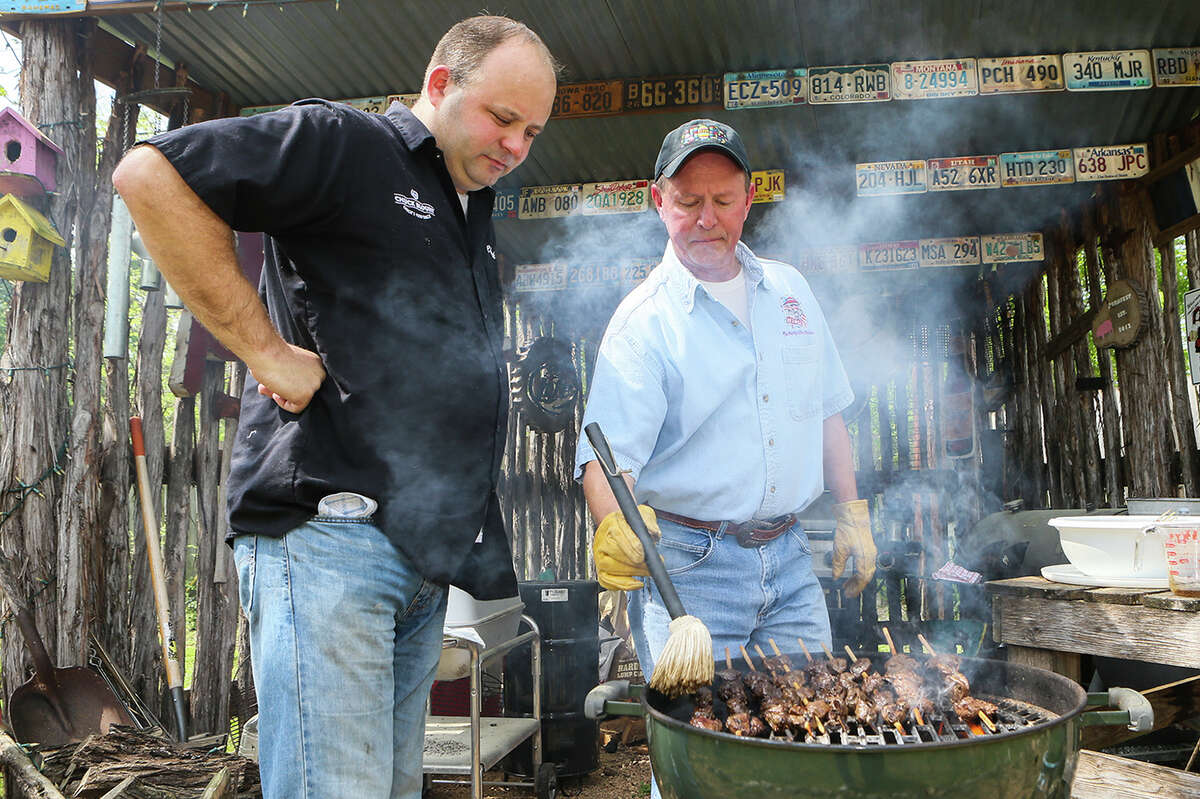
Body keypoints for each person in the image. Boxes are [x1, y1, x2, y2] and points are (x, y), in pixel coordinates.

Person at [113, 16, 558, 799]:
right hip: (330, 543)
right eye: (503, 117)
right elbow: (150, 176)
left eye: (533, 130)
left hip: (419, 567)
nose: (517, 145)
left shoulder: (470, 212)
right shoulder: (345, 144)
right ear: (441, 83)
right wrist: (263, 350)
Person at [575, 118, 877, 713]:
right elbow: (605, 462)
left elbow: (825, 414)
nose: (706, 219)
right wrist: (614, 523)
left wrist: (851, 510)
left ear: (749, 199)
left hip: (790, 560)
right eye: (688, 202)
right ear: (658, 201)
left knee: (810, 732)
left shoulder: (791, 293)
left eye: (722, 200)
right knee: (701, 758)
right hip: (690, 572)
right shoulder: (643, 322)